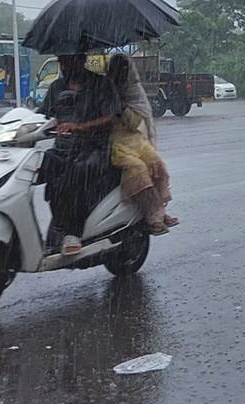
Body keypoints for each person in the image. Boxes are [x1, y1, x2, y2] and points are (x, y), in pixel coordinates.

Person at [38, 53, 122, 256]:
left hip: (95, 148)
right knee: (41, 167)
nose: (65, 65)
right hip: (62, 148)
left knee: (74, 173)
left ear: (82, 60)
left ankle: (73, 232)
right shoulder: (56, 87)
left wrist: (80, 127)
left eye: (70, 60)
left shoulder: (100, 85)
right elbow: (42, 115)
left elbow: (113, 117)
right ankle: (58, 224)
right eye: (62, 61)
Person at [105, 53, 178, 235]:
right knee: (137, 169)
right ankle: (153, 217)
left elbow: (137, 121)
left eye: (123, 70)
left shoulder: (133, 91)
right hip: (115, 142)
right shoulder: (104, 91)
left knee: (157, 163)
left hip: (135, 139)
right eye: (117, 70)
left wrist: (122, 108)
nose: (121, 74)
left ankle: (161, 211)